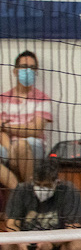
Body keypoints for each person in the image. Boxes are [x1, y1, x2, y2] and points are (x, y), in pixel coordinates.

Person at [1, 156, 81, 250]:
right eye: (38, 184)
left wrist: (52, 242)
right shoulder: (21, 190)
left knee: (76, 245)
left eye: (47, 185)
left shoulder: (69, 191)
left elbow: (73, 227)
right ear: (32, 180)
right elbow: (11, 225)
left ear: (56, 182)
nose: (42, 189)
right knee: (6, 245)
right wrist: (20, 241)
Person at [0, 50, 52, 189]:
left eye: (32, 68)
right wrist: (10, 148)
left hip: (33, 146)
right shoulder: (3, 99)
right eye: (24, 67)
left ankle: (26, 191)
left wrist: (6, 127)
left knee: (22, 145)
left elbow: (35, 130)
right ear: (15, 71)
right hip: (7, 145)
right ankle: (20, 192)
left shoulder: (42, 98)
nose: (28, 71)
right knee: (16, 148)